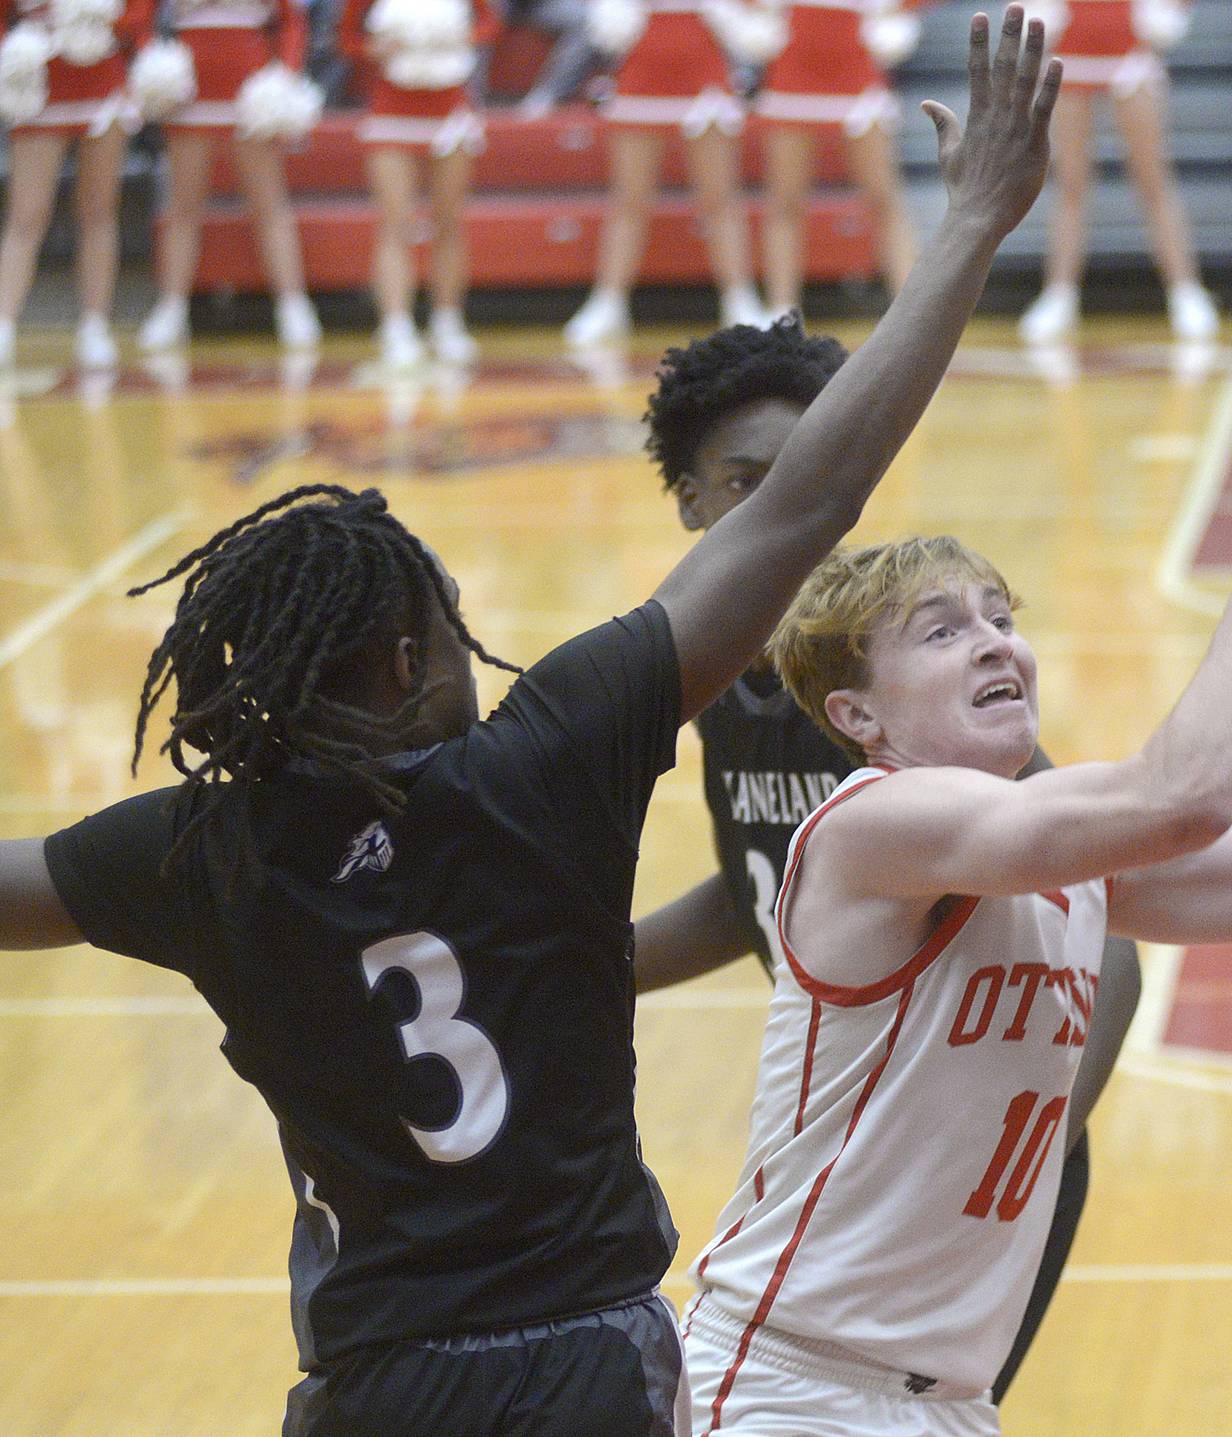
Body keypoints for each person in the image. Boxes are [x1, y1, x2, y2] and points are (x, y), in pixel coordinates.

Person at [0, 8, 1061, 1432]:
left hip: (372, 1384)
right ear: (392, 666)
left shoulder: (191, 850)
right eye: (447, 629)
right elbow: (814, 499)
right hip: (587, 1364)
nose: (475, 656)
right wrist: (976, 225)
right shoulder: (544, 758)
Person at [683, 389, 1232, 1434]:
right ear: (858, 715)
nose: (994, 643)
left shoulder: (1065, 854)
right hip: (788, 1384)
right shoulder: (875, 826)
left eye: (1000, 619)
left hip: (946, 1401)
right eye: (942, 632)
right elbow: (1186, 797)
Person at [634, 313, 1141, 1405]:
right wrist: (591, 960)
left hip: (972, 1166)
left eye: (809, 471)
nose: (784, 507)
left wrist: (1043, 1135)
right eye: (745, 483)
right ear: (690, 502)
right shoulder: (721, 685)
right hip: (861, 1157)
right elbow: (753, 890)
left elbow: (1098, 911)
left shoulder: (901, 690)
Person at [562, 0, 766, 347]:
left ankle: (740, 300)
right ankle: (608, 303)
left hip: (705, 69)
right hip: (641, 69)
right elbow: (607, 24)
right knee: (629, 200)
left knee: (720, 199)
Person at [1018, 0, 1218, 344]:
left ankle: (1186, 291)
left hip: (1131, 53)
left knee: (1153, 179)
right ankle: (1059, 295)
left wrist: (1168, 12)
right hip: (1069, 54)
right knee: (1069, 184)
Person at [137, 0, 322, 355]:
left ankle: (293, 306)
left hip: (251, 90)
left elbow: (291, 21)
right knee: (183, 207)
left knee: (269, 204)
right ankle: (172, 308)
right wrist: (154, 65)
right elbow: (141, 18)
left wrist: (285, 73)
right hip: (187, 89)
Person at [338, 0, 501, 368]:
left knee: (449, 221)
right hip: (391, 110)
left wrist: (458, 37)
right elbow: (347, 38)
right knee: (396, 223)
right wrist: (375, 48)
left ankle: (448, 322)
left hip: (451, 111)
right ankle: (396, 327)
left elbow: (489, 25)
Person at [0, 0, 155, 368]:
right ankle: (4, 325)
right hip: (38, 83)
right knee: (26, 215)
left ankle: (95, 326)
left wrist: (102, 14)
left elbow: (140, 13)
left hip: (104, 80)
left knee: (98, 211)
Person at [752, 0, 921, 316]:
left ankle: (912, 312)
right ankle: (780, 311)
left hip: (857, 69)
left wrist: (893, 17)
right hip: (792, 71)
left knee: (884, 198)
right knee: (784, 200)